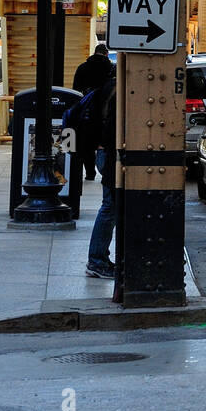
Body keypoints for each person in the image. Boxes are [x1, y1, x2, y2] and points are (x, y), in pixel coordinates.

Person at [86, 79, 118, 279]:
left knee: (111, 208)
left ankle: (100, 258)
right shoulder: (118, 89)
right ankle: (96, 260)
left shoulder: (108, 86)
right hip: (109, 154)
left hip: (105, 152)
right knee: (109, 208)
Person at [72, 45, 113, 181]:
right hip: (106, 114)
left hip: (87, 114)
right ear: (106, 54)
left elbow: (75, 91)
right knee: (104, 143)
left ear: (94, 53)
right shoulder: (112, 69)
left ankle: (90, 173)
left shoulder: (82, 68)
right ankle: (105, 172)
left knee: (86, 145)